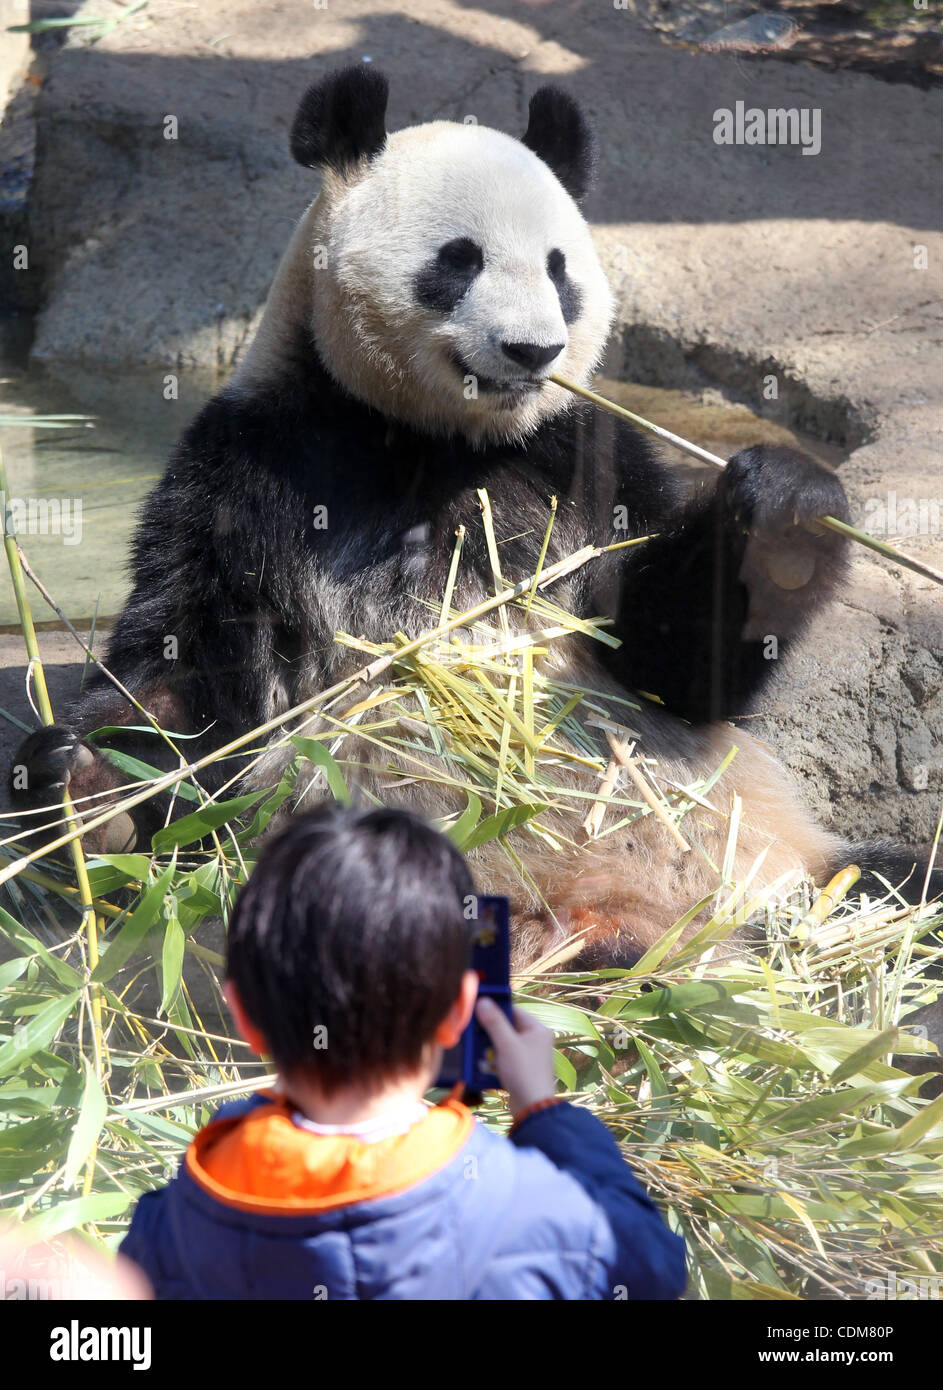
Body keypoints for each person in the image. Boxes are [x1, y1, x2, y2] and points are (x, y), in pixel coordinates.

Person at [119, 805, 686, 1300]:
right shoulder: (523, 1211)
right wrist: (543, 1112)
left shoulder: (176, 1223)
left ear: (243, 1016)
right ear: (461, 1011)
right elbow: (650, 1267)